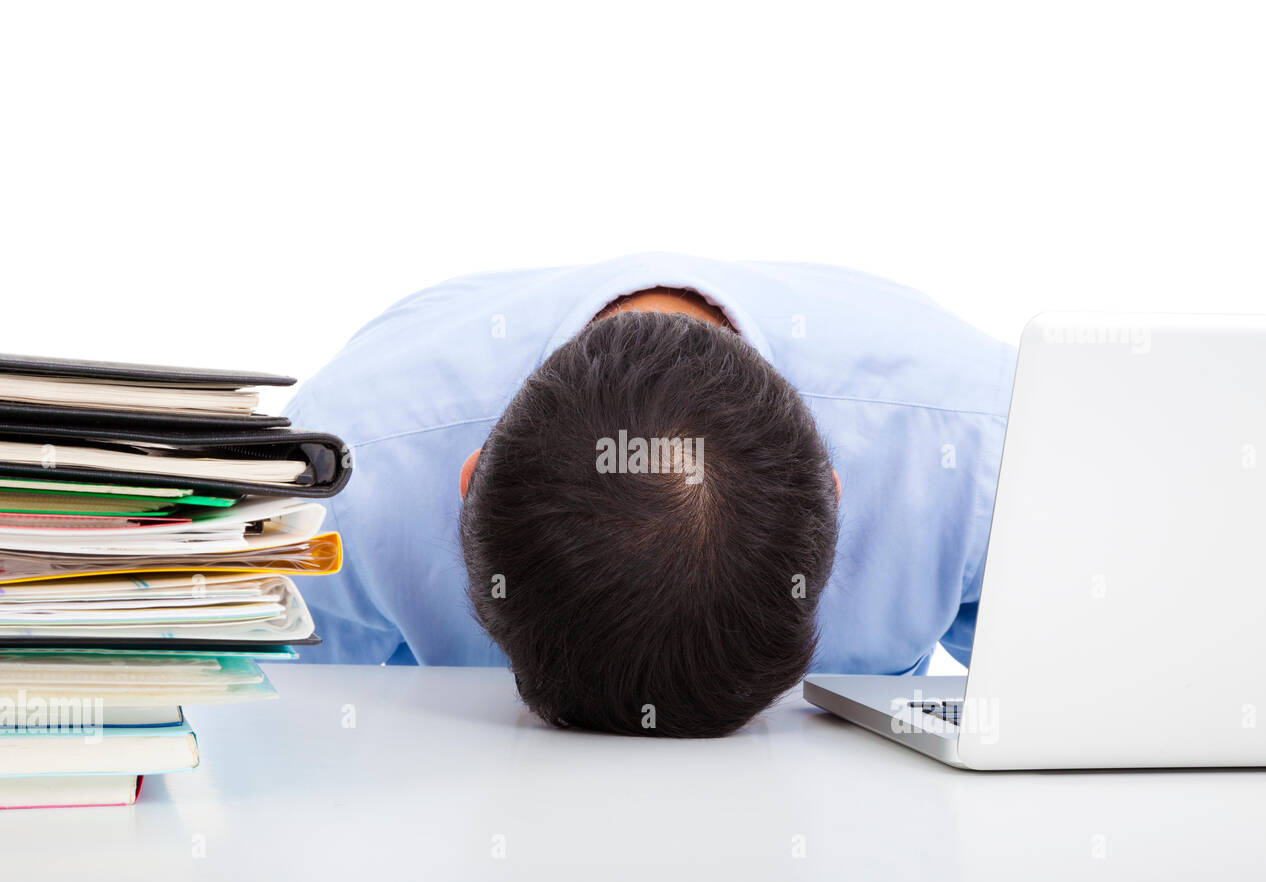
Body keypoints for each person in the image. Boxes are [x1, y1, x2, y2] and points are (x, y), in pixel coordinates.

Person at [287, 252, 1015, 736]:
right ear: (471, 485)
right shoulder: (329, 482)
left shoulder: (999, 443)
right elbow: (252, 718)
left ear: (831, 494)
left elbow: (1090, 705)